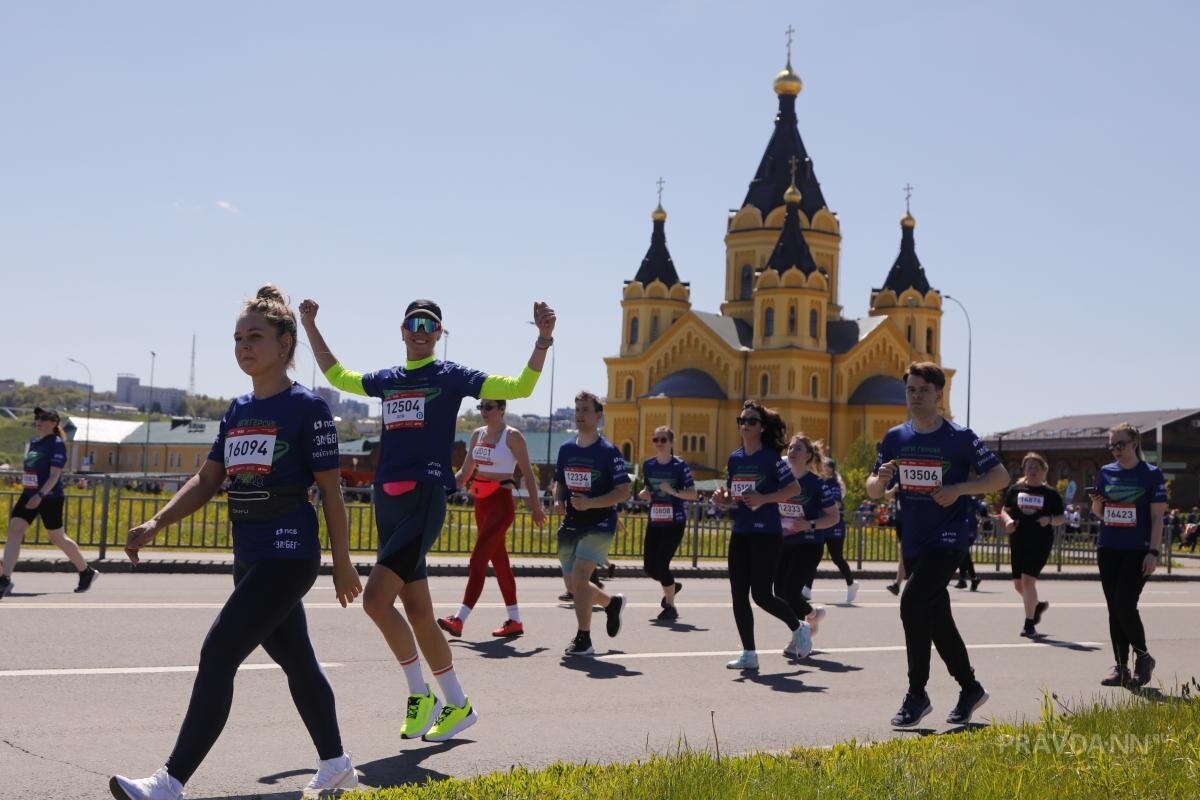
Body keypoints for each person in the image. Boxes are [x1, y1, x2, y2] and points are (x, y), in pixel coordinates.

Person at [110, 286, 363, 800]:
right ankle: (336, 765)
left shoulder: (307, 408)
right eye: (238, 338)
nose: (244, 346)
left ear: (285, 343)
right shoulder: (237, 410)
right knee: (297, 661)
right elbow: (207, 481)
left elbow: (333, 491)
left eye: (256, 337)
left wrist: (343, 563)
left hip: (289, 553)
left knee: (218, 653)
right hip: (249, 557)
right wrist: (156, 524)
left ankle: (169, 782)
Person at [300, 296, 555, 741]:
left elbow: (519, 387)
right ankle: (457, 704)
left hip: (424, 497)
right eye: (413, 322)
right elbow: (337, 375)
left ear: (439, 334)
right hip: (387, 502)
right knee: (418, 612)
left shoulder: (451, 376)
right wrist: (309, 325)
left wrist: (543, 338)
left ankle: (421, 695)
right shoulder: (388, 380)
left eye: (430, 324)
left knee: (376, 601)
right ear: (401, 330)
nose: (421, 329)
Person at [866, 362, 1009, 727]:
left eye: (923, 390)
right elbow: (873, 488)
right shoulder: (895, 437)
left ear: (938, 395)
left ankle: (917, 694)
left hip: (948, 539)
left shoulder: (959, 438)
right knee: (937, 620)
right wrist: (879, 480)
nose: (915, 397)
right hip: (913, 540)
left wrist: (958, 488)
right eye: (910, 390)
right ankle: (970, 688)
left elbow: (1000, 476)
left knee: (912, 603)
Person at [711, 400, 814, 671]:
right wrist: (724, 500)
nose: (745, 425)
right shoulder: (735, 458)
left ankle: (798, 626)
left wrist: (764, 498)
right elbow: (739, 497)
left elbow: (792, 489)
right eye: (741, 420)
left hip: (767, 534)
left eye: (751, 421)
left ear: (762, 427)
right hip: (741, 532)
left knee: (761, 595)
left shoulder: (770, 458)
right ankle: (749, 654)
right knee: (738, 595)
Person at [439, 398, 547, 639]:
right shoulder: (477, 434)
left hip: (500, 503)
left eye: (489, 407)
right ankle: (515, 620)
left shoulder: (513, 436)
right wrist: (442, 486)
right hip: (481, 504)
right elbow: (465, 473)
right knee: (500, 564)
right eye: (481, 407)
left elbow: (528, 474)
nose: (484, 412)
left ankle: (459, 619)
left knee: (477, 561)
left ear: (501, 410)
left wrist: (536, 507)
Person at [1088, 423, 1166, 688]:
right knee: (1114, 608)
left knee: (1124, 603)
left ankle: (1143, 657)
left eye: (1120, 444)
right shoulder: (1105, 472)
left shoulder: (1151, 474)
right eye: (1111, 445)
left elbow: (1157, 518)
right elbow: (1100, 513)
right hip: (1108, 547)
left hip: (1137, 549)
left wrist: (1153, 552)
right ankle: (1120, 667)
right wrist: (1097, 501)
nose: (1115, 450)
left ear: (1134, 444)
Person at [555, 391, 631, 656]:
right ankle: (611, 603)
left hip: (599, 522)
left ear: (599, 415)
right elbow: (560, 482)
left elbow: (624, 491)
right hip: (571, 522)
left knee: (580, 577)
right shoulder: (566, 448)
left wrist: (591, 503)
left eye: (586, 410)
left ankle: (583, 638)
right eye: (577, 409)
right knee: (573, 586)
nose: (580, 415)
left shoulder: (608, 452)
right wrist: (557, 500)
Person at [1, 407, 98, 598]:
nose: (39, 421)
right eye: (37, 417)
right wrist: (30, 491)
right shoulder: (35, 442)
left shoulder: (57, 443)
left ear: (54, 423)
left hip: (49, 497)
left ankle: (86, 571)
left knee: (57, 538)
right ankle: (4, 579)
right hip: (28, 494)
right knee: (15, 529)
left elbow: (54, 475)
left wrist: (40, 495)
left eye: (44, 418)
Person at [775, 434, 839, 647]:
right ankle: (812, 614)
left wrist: (808, 524)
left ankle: (799, 636)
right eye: (791, 447)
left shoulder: (816, 484)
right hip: (784, 544)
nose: (792, 451)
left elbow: (833, 517)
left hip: (809, 544)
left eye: (798, 448)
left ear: (809, 456)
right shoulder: (780, 480)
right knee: (778, 593)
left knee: (792, 592)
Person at [999, 453, 1065, 638]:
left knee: (1028, 581)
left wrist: (1050, 519)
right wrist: (1008, 521)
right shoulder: (1015, 490)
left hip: (1040, 542)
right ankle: (1036, 606)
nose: (1033, 470)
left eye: (1036, 467)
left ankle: (1029, 625)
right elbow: (1005, 510)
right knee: (1019, 586)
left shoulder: (1051, 494)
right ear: (1024, 470)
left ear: (1044, 470)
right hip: (1018, 541)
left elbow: (1062, 518)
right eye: (1029, 467)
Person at [638, 425, 697, 621]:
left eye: (663, 440)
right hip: (655, 521)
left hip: (674, 522)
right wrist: (645, 493)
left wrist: (673, 492)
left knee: (662, 565)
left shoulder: (680, 466)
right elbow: (648, 489)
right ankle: (671, 585)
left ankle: (670, 607)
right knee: (649, 568)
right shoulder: (648, 465)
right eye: (656, 440)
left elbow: (693, 494)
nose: (659, 443)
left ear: (671, 443)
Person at [815, 457, 860, 603]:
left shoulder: (835, 484)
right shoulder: (821, 482)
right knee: (814, 557)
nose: (823, 468)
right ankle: (806, 589)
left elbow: (836, 504)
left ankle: (851, 584)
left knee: (837, 558)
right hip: (822, 525)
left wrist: (820, 504)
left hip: (834, 526)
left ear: (831, 469)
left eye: (826, 466)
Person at [954, 499, 987, 592]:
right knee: (963, 554)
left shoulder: (972, 500)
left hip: (969, 532)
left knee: (963, 553)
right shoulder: (958, 499)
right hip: (960, 531)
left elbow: (983, 510)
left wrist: (980, 523)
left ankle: (969, 578)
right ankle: (966, 579)